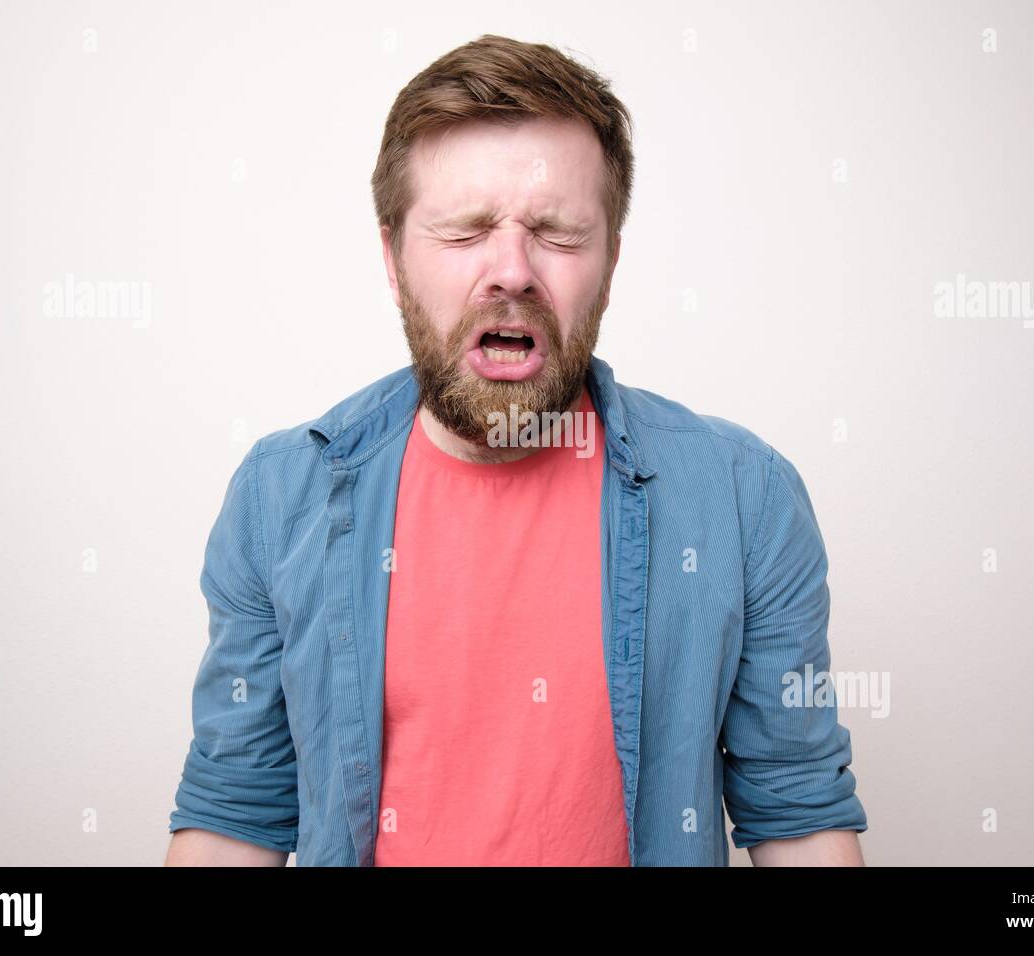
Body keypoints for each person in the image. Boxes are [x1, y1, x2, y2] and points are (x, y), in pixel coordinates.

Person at [164, 33, 866, 867]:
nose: (512, 271)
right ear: (392, 260)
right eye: (463, 232)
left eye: (558, 234)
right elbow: (236, 810)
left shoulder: (745, 499)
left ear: (608, 265)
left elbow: (798, 810)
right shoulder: (278, 499)